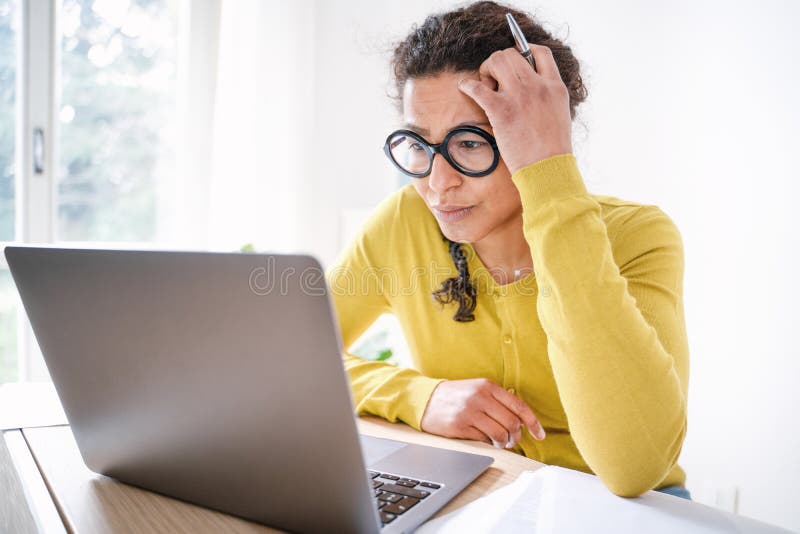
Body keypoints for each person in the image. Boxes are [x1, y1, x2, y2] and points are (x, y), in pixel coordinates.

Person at [326, 0, 691, 500]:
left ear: (539, 134)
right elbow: (285, 359)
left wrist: (550, 174)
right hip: (480, 492)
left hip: (622, 510)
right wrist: (419, 396)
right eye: (419, 143)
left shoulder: (638, 236)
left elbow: (633, 467)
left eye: (471, 142)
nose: (438, 183)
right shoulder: (402, 222)